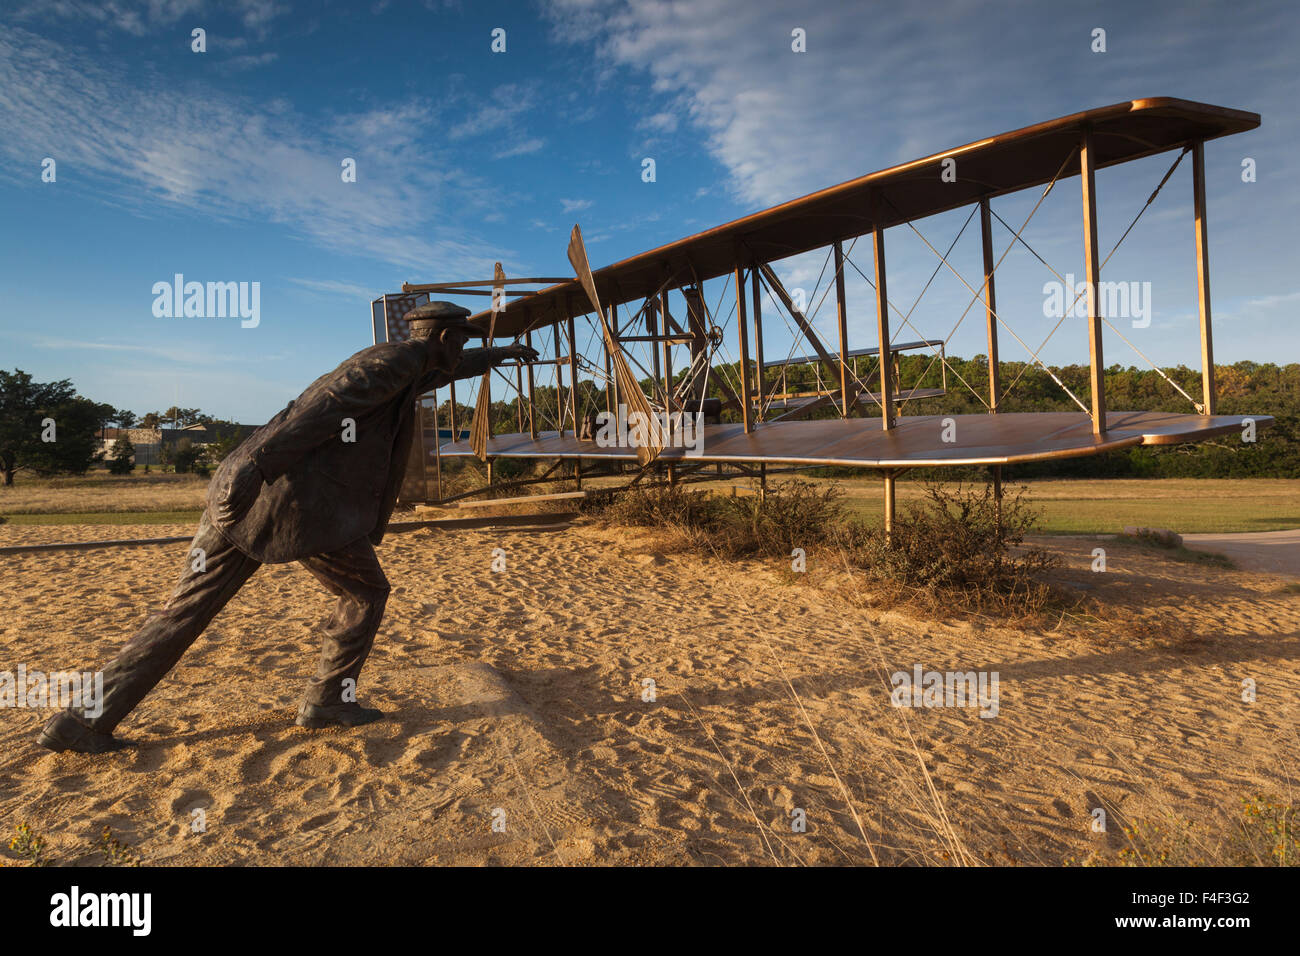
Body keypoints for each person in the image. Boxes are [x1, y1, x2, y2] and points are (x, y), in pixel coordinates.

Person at [38, 302, 536, 754]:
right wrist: (255, 467)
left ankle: (83, 719)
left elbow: (436, 376)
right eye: (464, 343)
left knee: (184, 610)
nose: (463, 352)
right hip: (292, 502)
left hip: (250, 498)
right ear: (446, 340)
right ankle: (328, 702)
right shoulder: (393, 364)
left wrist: (496, 355)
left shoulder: (404, 364)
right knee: (365, 593)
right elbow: (322, 410)